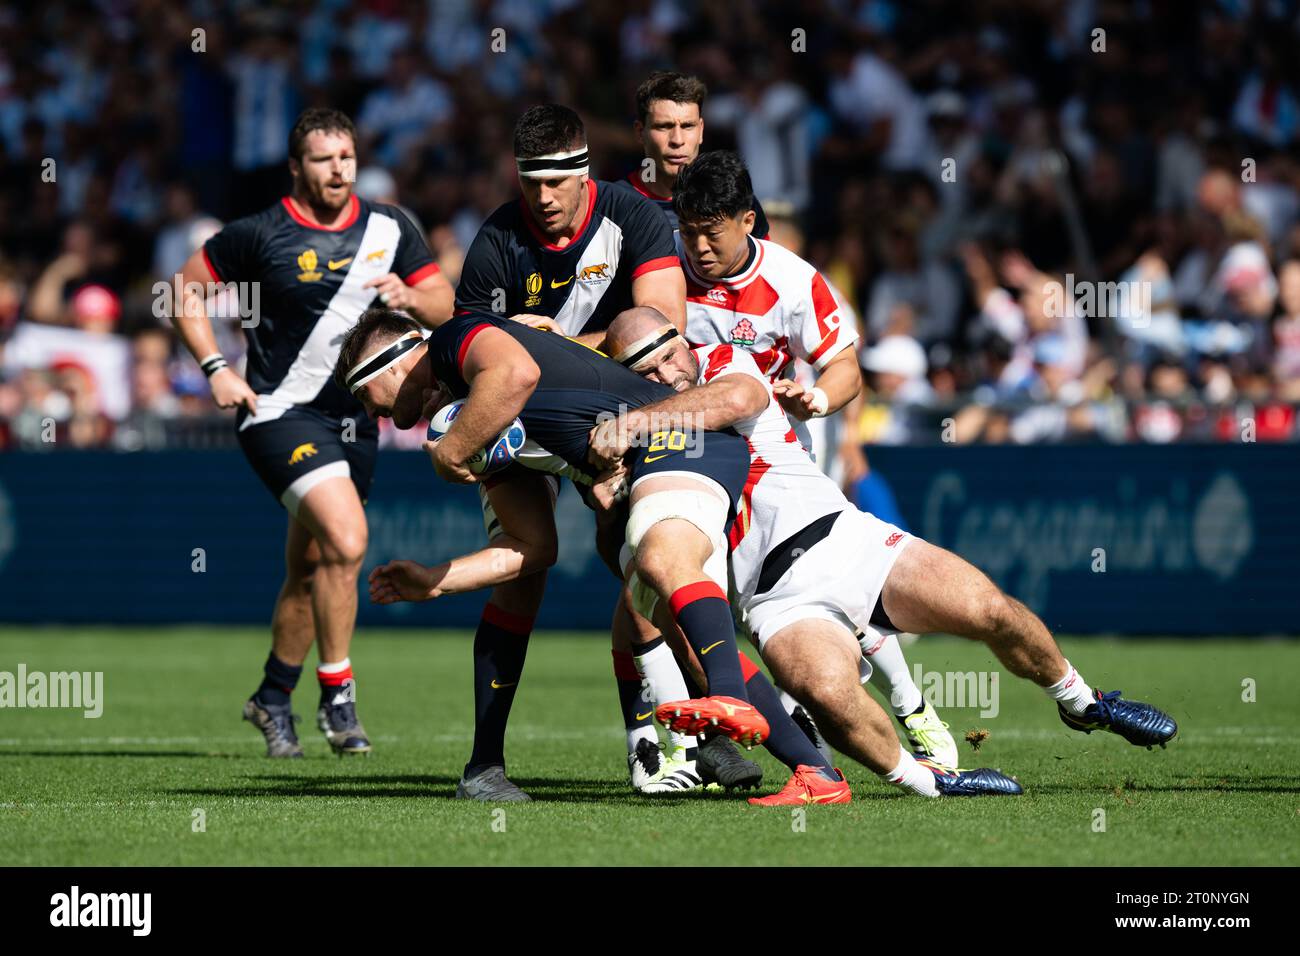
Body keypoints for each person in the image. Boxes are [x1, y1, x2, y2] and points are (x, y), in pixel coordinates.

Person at [595, 308, 1178, 802]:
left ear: (683, 339)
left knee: (988, 609)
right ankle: (932, 781)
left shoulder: (722, 362)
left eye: (670, 355)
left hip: (847, 539)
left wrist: (635, 426)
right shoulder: (634, 439)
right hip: (772, 598)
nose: (667, 374)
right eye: (645, 372)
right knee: (828, 696)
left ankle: (1081, 701)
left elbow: (741, 395)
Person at [335, 307, 770, 800]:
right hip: (627, 465)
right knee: (662, 603)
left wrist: (450, 452)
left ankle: (791, 754)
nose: (369, 414)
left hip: (692, 445)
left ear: (391, 365)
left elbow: (518, 372)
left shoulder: (456, 339)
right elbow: (532, 548)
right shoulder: (478, 418)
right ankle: (713, 744)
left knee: (771, 610)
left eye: (362, 394)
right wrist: (437, 579)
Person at [169, 107, 454, 758]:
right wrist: (215, 367)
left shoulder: (391, 227)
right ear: (296, 167)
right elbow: (183, 292)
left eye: (347, 157)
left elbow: (443, 298)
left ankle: (271, 697)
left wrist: (409, 298)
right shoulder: (257, 234)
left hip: (356, 419)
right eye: (324, 160)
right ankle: (339, 696)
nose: (338, 170)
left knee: (313, 567)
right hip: (278, 413)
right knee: (350, 539)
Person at [670, 150, 958, 766]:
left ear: (748, 222)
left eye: (710, 231)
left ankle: (910, 704)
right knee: (725, 599)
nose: (698, 245)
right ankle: (728, 737)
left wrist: (821, 398)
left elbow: (844, 367)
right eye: (688, 229)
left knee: (827, 587)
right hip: (694, 455)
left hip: (780, 459)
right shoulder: (663, 272)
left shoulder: (794, 281)